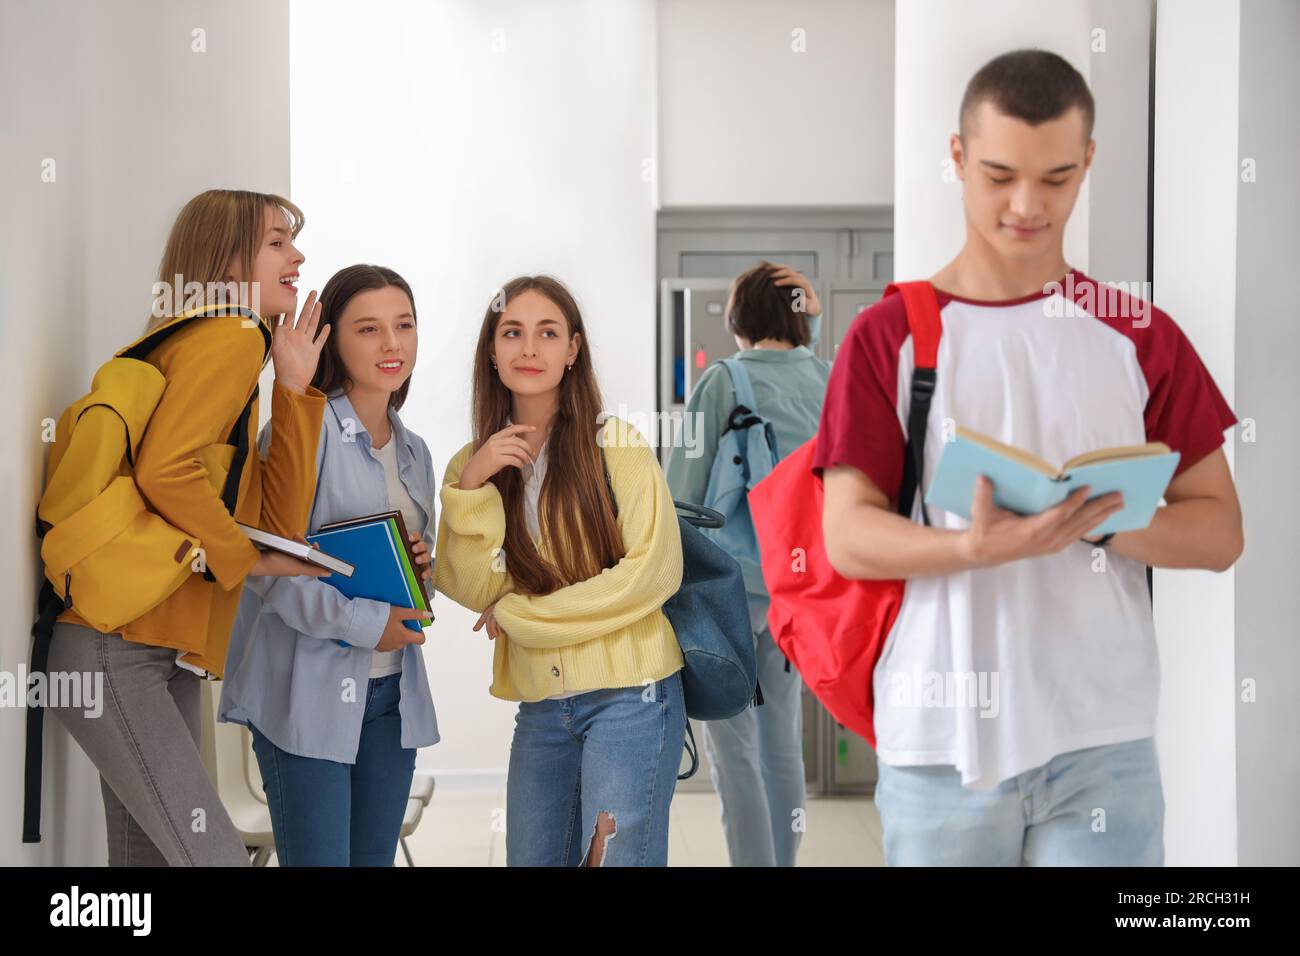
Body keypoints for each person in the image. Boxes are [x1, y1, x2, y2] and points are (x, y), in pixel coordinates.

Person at [816, 49, 1243, 866]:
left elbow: (1221, 531)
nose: (1025, 205)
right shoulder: (892, 334)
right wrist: (972, 548)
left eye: (1055, 179)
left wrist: (1093, 524)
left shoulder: (1138, 333)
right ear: (956, 158)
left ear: (1088, 161)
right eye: (999, 174)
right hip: (941, 743)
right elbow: (848, 535)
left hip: (1103, 740)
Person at [46, 189, 333, 866]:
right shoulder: (230, 336)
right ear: (230, 264)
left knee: (144, 867)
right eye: (276, 242)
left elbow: (279, 520)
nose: (297, 255)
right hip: (118, 649)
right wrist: (245, 559)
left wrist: (293, 391)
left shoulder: (226, 350)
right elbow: (166, 471)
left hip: (147, 651)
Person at [433, 275, 685, 866]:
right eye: (512, 333)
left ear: (572, 349)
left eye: (547, 333)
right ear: (491, 353)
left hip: (633, 696)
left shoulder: (615, 445)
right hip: (544, 705)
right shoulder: (471, 464)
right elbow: (474, 590)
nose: (529, 349)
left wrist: (523, 614)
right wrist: (472, 486)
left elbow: (652, 573)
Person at [220, 264, 439, 866]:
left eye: (404, 325)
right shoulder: (297, 434)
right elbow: (270, 574)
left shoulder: (416, 452)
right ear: (334, 342)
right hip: (304, 697)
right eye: (369, 329)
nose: (392, 344)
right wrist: (372, 625)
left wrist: (422, 572)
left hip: (392, 695)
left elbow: (422, 579)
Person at [666, 261, 829, 866]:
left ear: (739, 319)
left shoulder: (724, 379)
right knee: (783, 743)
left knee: (734, 752)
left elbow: (680, 494)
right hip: (801, 589)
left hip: (730, 590)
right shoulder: (829, 377)